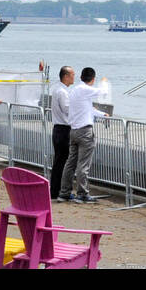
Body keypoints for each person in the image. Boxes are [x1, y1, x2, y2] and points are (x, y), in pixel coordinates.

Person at [59, 67, 100, 203]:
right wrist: (105, 83)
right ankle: (82, 193)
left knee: (70, 162)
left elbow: (87, 109)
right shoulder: (85, 89)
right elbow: (102, 92)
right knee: (83, 164)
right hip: (85, 132)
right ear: (92, 79)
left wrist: (100, 114)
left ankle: (64, 192)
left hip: (74, 131)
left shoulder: (74, 90)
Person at [49, 66, 74, 200]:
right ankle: (59, 190)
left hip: (58, 129)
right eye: (72, 75)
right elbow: (67, 110)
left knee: (59, 161)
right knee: (63, 162)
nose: (73, 77)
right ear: (66, 76)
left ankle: (55, 190)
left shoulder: (58, 89)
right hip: (63, 129)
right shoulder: (62, 92)